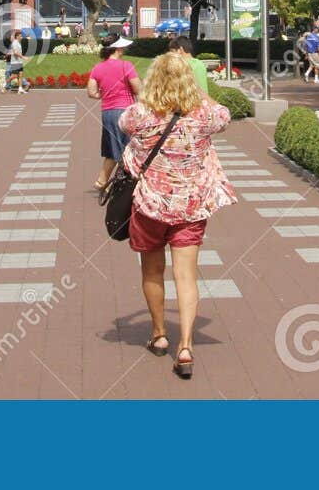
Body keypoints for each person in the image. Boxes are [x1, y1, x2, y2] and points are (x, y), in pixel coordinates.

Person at [119, 51, 236, 379]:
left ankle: (159, 335)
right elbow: (224, 114)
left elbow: (122, 123)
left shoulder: (140, 115)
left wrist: (154, 94)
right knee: (186, 276)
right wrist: (195, 91)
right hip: (191, 207)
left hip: (149, 207)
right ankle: (185, 346)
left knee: (152, 272)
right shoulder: (203, 115)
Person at [86, 31, 140, 191]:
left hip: (107, 112)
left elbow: (91, 92)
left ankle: (102, 181)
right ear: (118, 49)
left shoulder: (98, 68)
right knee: (130, 148)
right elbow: (137, 88)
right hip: (126, 111)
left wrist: (104, 94)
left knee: (113, 148)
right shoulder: (126, 66)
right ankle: (123, 183)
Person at [5, 29, 27, 94]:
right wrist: (23, 57)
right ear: (17, 36)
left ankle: (20, 89)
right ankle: (4, 84)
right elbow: (15, 53)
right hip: (15, 62)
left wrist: (21, 59)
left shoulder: (18, 43)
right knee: (14, 76)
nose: (21, 37)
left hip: (19, 62)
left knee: (20, 75)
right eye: (20, 36)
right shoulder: (14, 43)